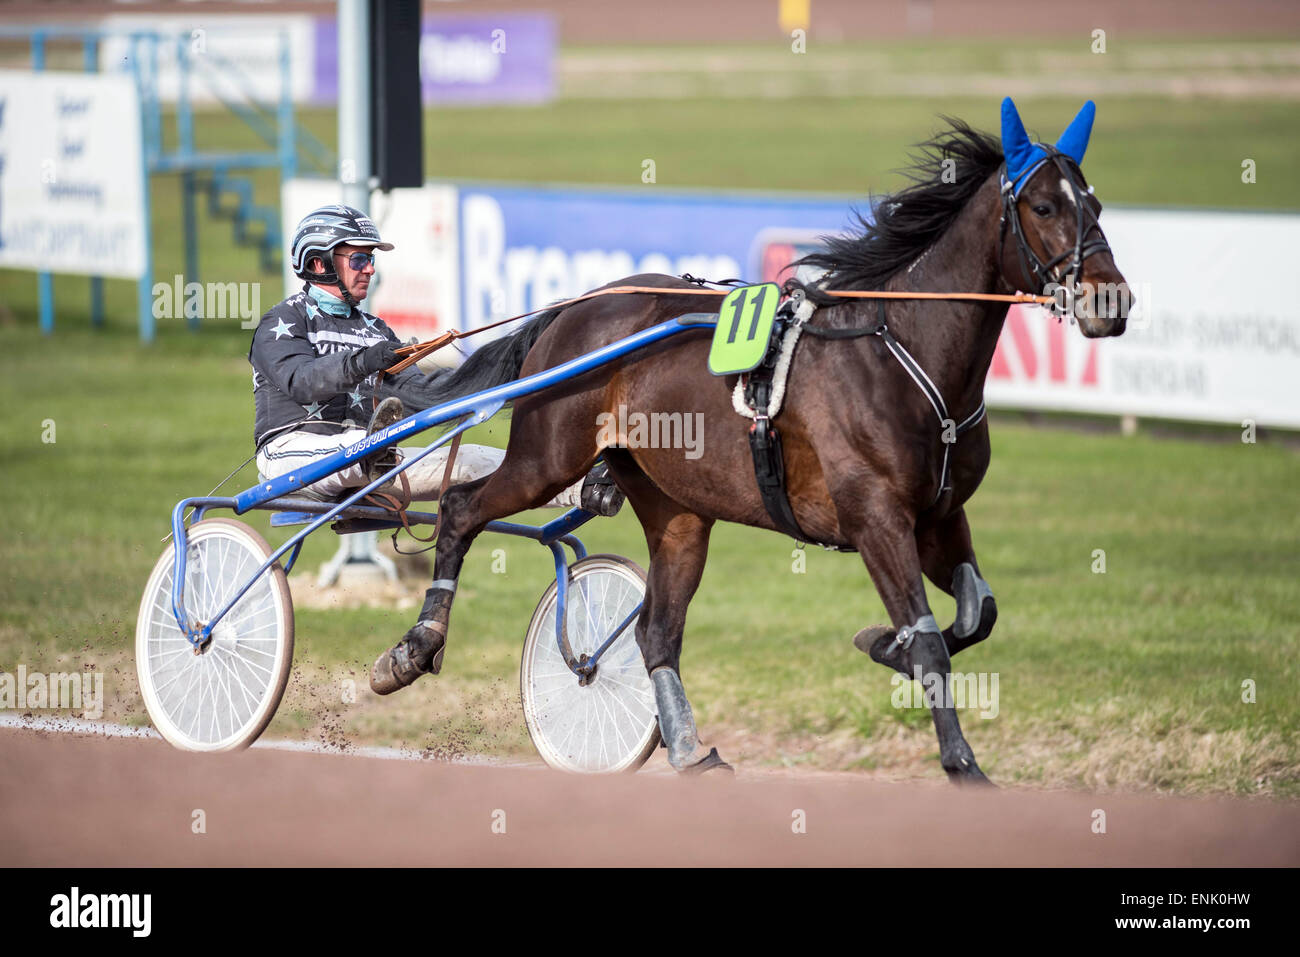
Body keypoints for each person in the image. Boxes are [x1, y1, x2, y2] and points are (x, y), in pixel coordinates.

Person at [249, 204, 623, 688]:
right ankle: (372, 452)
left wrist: (511, 376)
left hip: (375, 461)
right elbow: (301, 381)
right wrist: (366, 363)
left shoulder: (375, 331)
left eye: (370, 258)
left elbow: (427, 396)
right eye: (358, 258)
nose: (369, 267)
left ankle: (581, 487)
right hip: (292, 454)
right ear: (320, 263)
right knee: (359, 446)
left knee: (467, 461)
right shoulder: (282, 323)